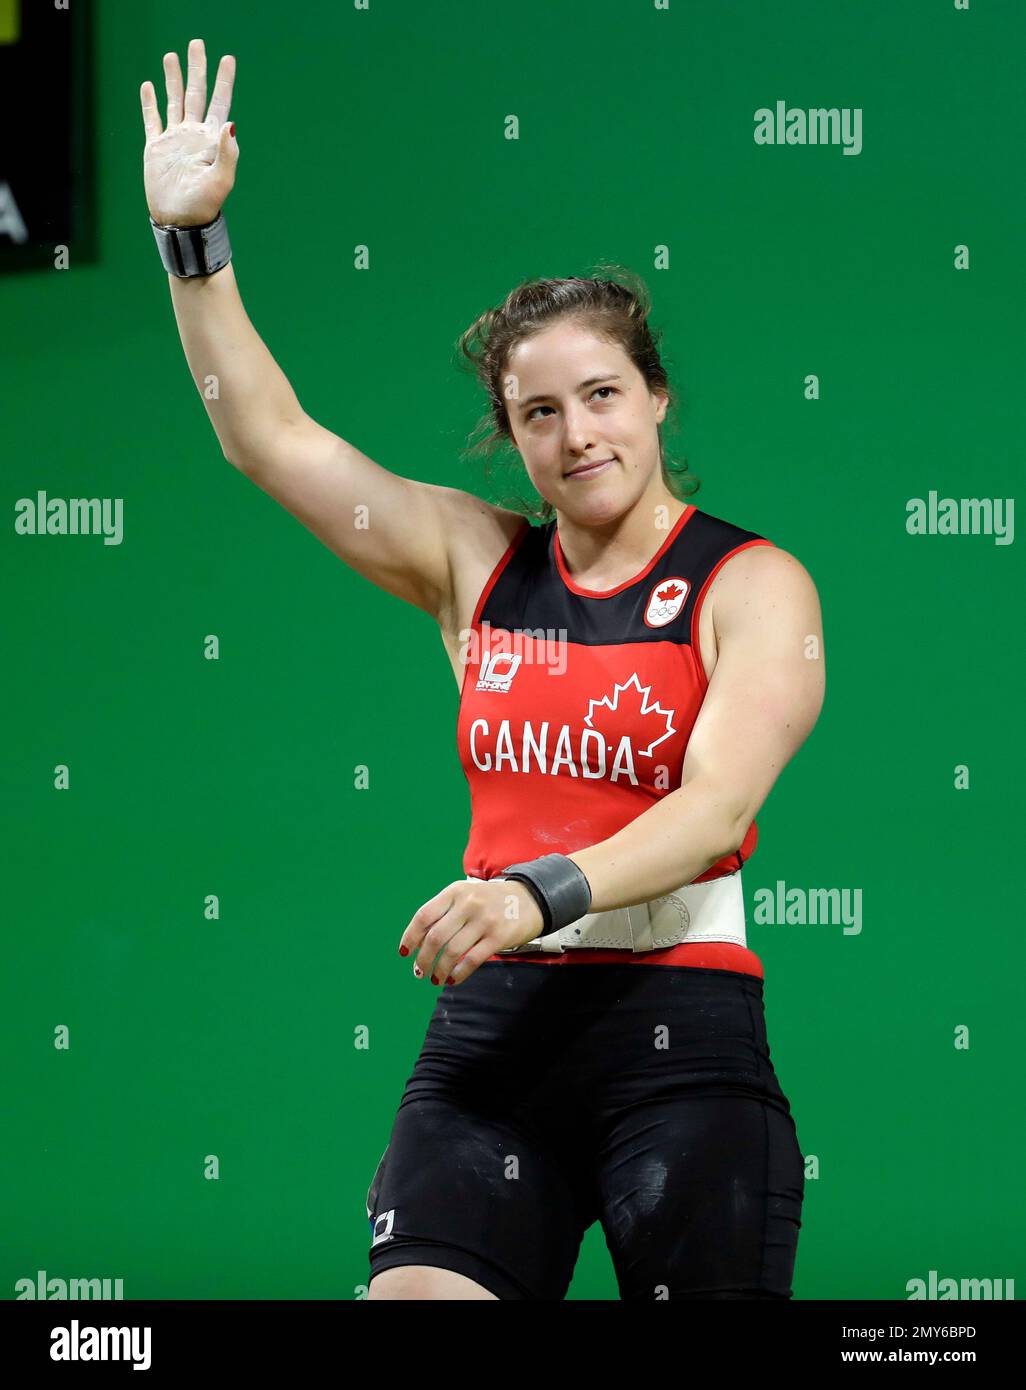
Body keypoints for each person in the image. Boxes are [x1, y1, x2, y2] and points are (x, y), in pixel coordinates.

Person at [140, 38, 825, 1302]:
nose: (578, 434)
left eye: (603, 394)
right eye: (540, 413)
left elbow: (715, 809)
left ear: (658, 398)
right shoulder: (472, 561)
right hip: (495, 1041)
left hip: (683, 1040)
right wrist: (196, 244)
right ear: (509, 434)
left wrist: (531, 894)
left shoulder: (751, 584)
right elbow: (267, 438)